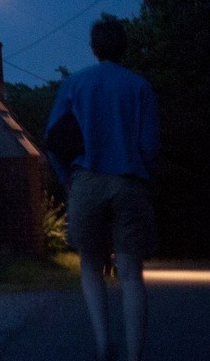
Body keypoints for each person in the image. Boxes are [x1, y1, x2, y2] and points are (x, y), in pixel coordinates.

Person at [45, 19, 159, 361]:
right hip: (129, 181)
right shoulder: (140, 87)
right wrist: (141, 176)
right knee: (131, 273)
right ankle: (134, 355)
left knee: (90, 266)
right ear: (125, 46)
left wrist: (68, 178)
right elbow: (150, 146)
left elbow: (53, 139)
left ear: (94, 48)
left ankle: (102, 342)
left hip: (87, 180)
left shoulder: (75, 84)